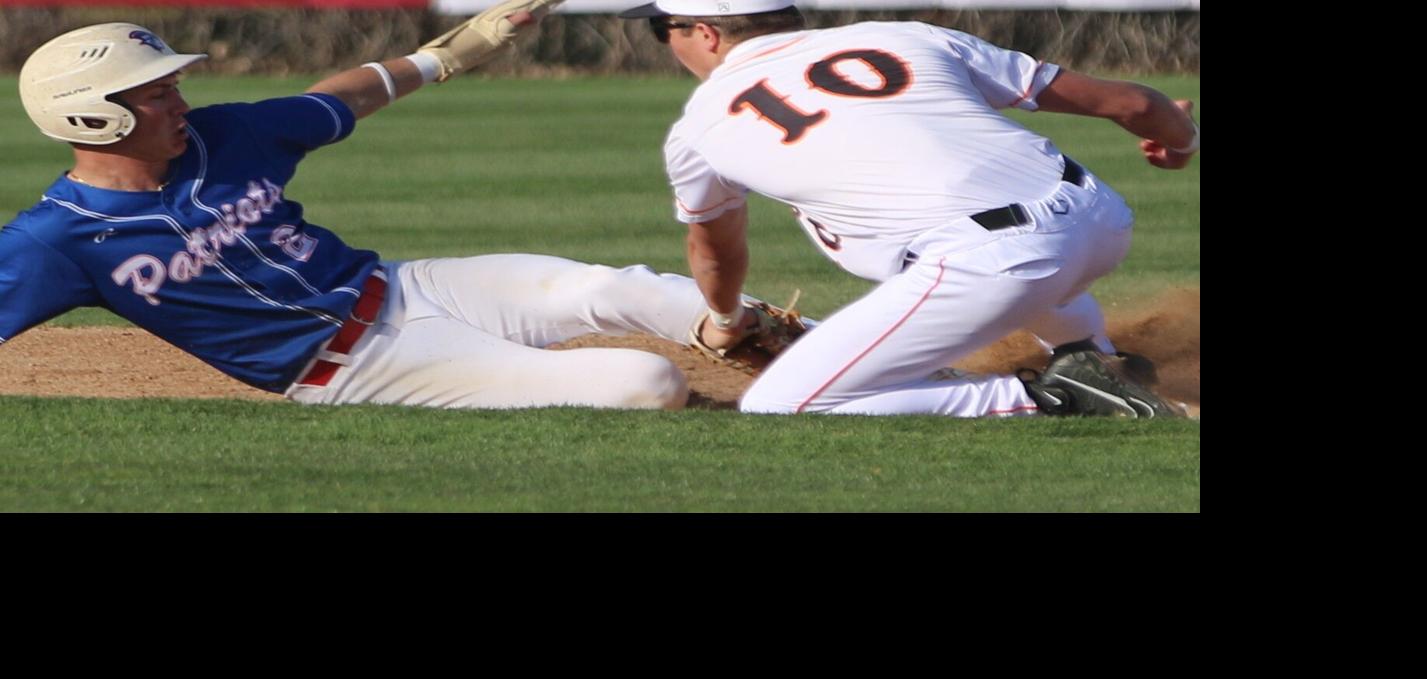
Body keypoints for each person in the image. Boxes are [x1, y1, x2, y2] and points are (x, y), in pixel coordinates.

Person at [0, 1, 790, 411]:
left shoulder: (219, 136)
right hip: (354, 367)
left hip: (407, 287)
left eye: (174, 84)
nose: (180, 100)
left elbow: (332, 99)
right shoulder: (57, 240)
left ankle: (808, 350)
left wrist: (449, 55)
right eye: (158, 91)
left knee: (611, 287)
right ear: (91, 117)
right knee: (642, 387)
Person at [621, 0, 1198, 417]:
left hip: (992, 260)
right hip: (1098, 216)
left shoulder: (700, 126)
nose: (666, 44)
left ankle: (1055, 395)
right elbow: (1132, 101)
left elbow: (715, 253)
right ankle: (1093, 356)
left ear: (705, 32)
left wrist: (725, 321)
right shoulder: (904, 35)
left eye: (660, 28)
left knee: (781, 403)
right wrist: (1181, 142)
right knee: (1035, 259)